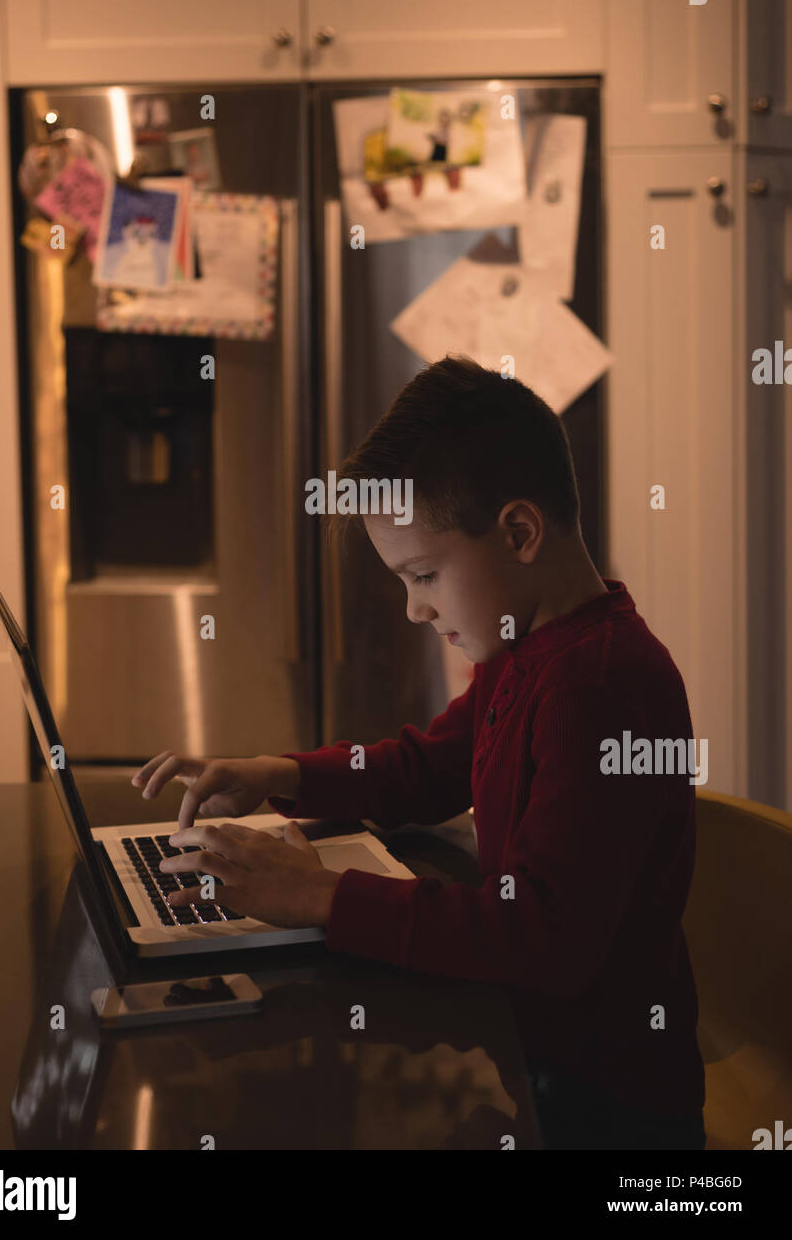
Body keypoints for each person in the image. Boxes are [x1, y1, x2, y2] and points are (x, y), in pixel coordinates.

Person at [132, 355, 707, 1151]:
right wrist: (276, 774)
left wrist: (319, 896)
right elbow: (432, 766)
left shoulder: (602, 685)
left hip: (607, 1108)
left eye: (425, 573)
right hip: (540, 1064)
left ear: (518, 531)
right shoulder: (528, 652)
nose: (413, 608)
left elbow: (542, 935)